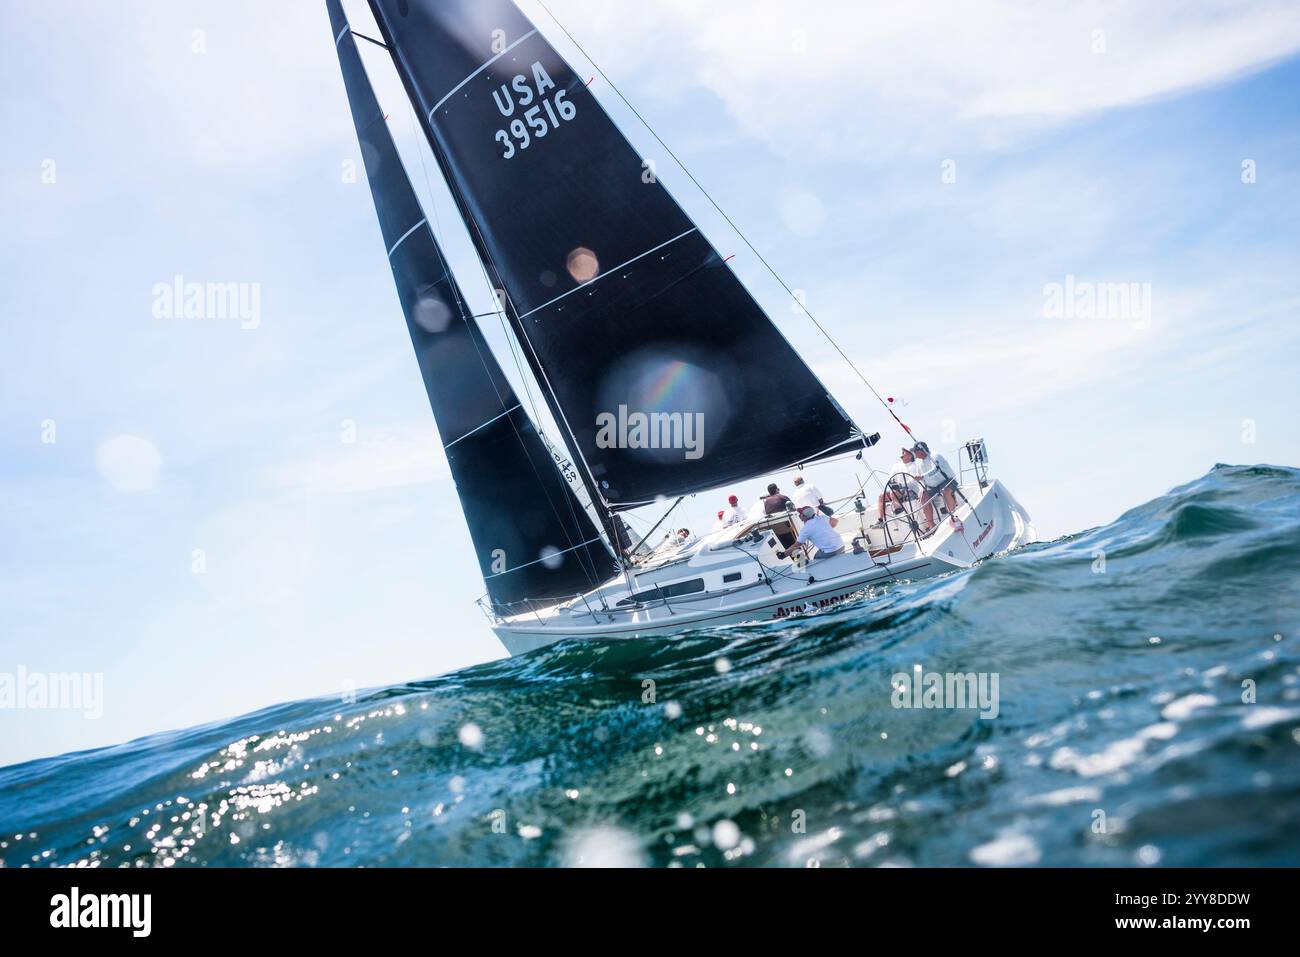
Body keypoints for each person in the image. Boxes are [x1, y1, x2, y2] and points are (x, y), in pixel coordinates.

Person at [912, 441, 962, 531]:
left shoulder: (935, 456)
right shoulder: (919, 463)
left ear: (921, 450)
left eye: (915, 451)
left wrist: (923, 476)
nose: (914, 453)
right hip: (933, 487)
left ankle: (953, 517)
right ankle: (931, 524)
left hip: (948, 481)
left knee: (945, 491)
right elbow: (919, 477)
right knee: (923, 496)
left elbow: (935, 469)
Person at [777, 505, 845, 560]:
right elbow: (835, 521)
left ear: (804, 516)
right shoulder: (822, 517)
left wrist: (783, 555)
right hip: (841, 546)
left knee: (816, 558)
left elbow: (796, 546)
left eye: (800, 514)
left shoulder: (805, 529)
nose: (799, 515)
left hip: (831, 551)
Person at [876, 447, 922, 523]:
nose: (902, 451)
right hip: (898, 491)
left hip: (911, 491)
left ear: (910, 455)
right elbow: (890, 478)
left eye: (905, 451)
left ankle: (898, 510)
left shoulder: (915, 466)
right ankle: (880, 520)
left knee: (894, 493)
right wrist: (892, 482)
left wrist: (901, 485)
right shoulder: (896, 465)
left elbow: (914, 481)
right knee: (881, 496)